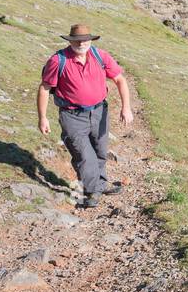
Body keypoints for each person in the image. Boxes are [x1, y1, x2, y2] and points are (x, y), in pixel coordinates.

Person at [36, 24, 133, 210]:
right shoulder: (58, 60)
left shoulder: (100, 56)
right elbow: (45, 88)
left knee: (100, 151)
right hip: (72, 115)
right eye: (77, 40)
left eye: (85, 40)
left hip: (99, 112)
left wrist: (126, 107)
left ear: (91, 40)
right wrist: (43, 117)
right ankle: (92, 190)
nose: (81, 43)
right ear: (70, 41)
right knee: (84, 155)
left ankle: (100, 184)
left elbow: (120, 79)